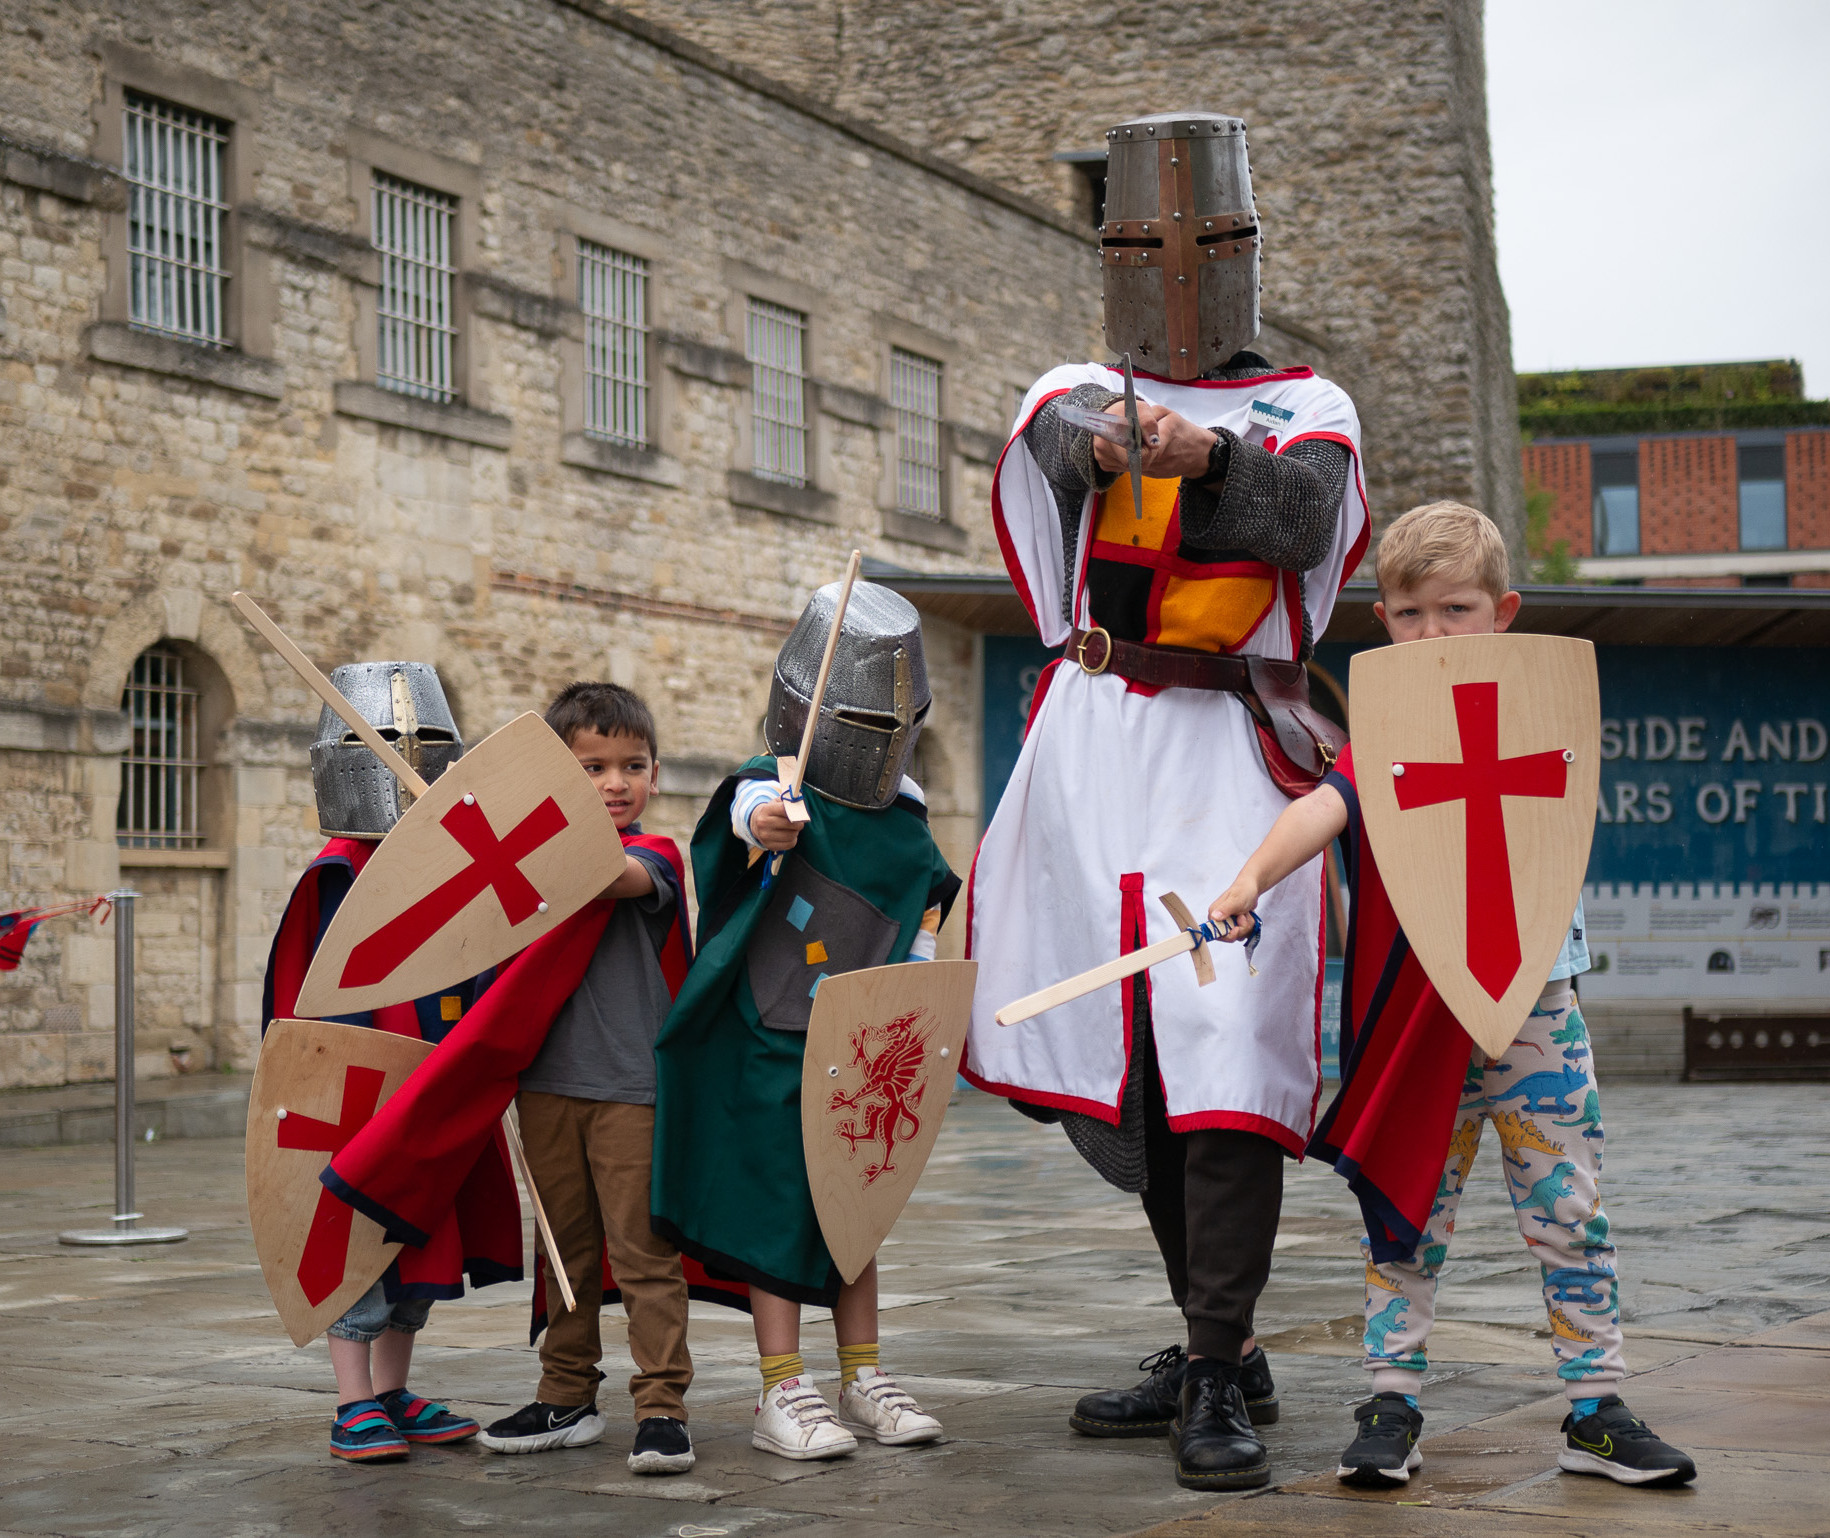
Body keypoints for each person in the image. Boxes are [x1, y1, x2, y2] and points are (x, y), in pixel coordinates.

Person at [964, 109, 1369, 1491]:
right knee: (1124, 1059)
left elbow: (1302, 521)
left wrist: (1208, 463)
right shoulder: (1072, 381)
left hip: (1225, 750)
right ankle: (1222, 1343)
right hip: (1094, 749)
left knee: (1217, 1038)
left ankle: (1211, 1368)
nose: (1178, 261)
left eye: (1205, 237)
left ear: (1251, 244)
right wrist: (1123, 439)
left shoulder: (1310, 403)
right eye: (1140, 237)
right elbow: (1067, 447)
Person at [1207, 501, 1697, 1490]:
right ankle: (1389, 1402)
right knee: (1405, 1213)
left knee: (1568, 1210)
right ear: (1379, 620)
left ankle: (1595, 1407)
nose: (1430, 634)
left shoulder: (1540, 707)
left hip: (1534, 1002)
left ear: (1502, 610)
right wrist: (1250, 875)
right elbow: (1326, 802)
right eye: (1406, 613)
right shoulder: (1387, 729)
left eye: (1453, 609)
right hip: (1417, 1014)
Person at [650, 581, 961, 1461]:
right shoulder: (774, 783)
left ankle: (863, 1374)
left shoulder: (903, 809)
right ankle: (781, 1389)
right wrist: (769, 820)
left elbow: (926, 892)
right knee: (774, 1210)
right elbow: (743, 817)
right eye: (856, 725)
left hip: (860, 1044)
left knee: (857, 1205)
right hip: (769, 1034)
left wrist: (921, 966)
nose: (871, 747)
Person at [474, 683, 703, 1476]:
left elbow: (609, 879)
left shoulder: (652, 854)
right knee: (563, 1256)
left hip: (631, 1089)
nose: (615, 782)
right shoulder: (525, 864)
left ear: (655, 774)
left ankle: (662, 1408)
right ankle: (565, 1394)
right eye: (593, 767)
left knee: (641, 1255)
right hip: (543, 1084)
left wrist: (500, 840)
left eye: (632, 766)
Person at [261, 662, 483, 1464]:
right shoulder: (335, 876)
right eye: (390, 742)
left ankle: (391, 1391)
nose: (409, 757)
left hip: (429, 1083)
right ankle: (353, 1399)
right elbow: (310, 1006)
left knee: (417, 1249)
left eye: (426, 742)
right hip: (355, 1099)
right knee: (356, 1251)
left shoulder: (452, 869)